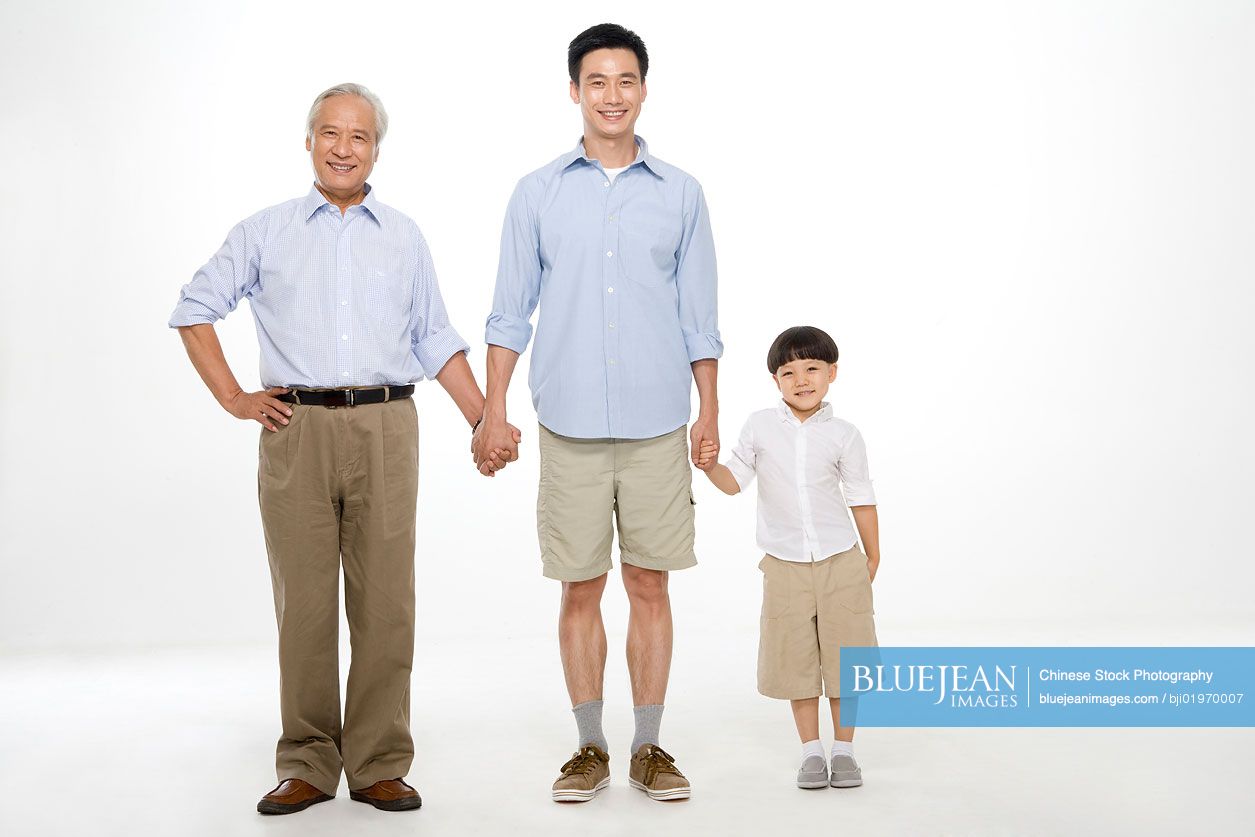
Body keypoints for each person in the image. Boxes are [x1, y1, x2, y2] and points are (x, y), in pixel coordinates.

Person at [169, 83, 518, 815]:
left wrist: (484, 420)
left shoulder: (403, 234)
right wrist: (235, 397)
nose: (342, 147)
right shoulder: (263, 231)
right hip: (294, 429)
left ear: (375, 151)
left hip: (388, 426)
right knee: (304, 607)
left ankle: (379, 759)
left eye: (358, 136)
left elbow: (432, 336)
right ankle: (306, 760)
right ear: (308, 141)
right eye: (329, 132)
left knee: (387, 601)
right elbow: (194, 308)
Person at [473, 23, 722, 802]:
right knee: (579, 586)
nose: (611, 95)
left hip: (657, 424)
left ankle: (648, 747)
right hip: (568, 425)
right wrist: (491, 411)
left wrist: (708, 410)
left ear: (643, 89)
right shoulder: (536, 193)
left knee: (649, 583)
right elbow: (509, 312)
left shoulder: (680, 192)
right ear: (574, 91)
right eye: (596, 81)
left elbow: (699, 316)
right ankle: (589, 745)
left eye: (624, 81)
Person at [697, 326, 880, 789]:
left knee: (845, 661)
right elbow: (735, 480)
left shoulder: (844, 434)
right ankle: (811, 752)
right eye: (789, 371)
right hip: (784, 564)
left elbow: (860, 494)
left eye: (812, 368)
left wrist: (871, 554)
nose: (802, 379)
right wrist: (709, 465)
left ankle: (844, 750)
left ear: (831, 373)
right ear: (776, 380)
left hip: (840, 560)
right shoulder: (760, 426)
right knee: (795, 660)